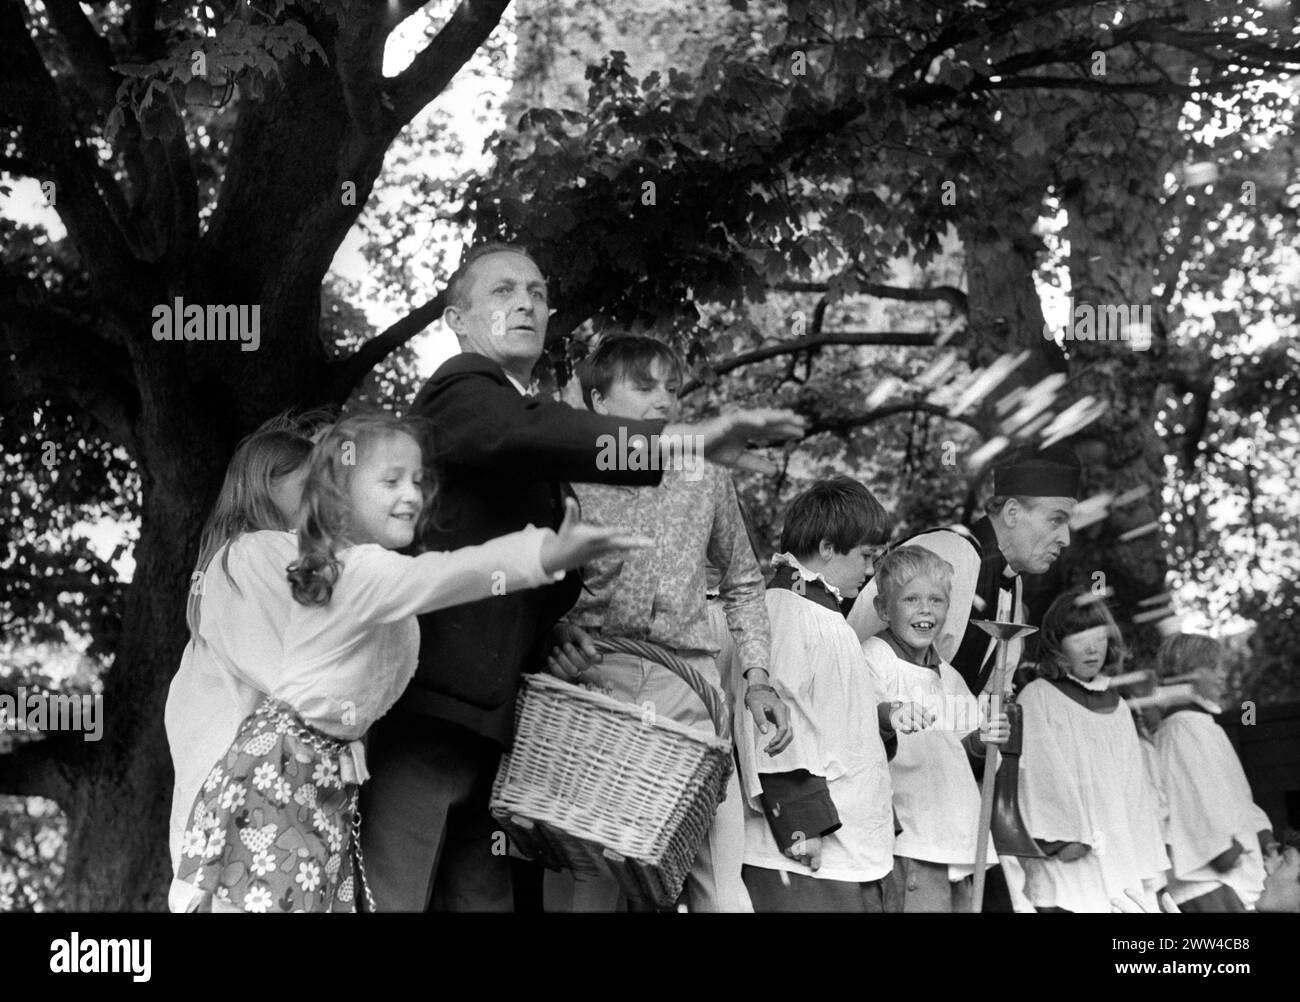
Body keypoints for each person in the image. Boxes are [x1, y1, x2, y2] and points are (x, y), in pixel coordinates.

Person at [359, 243, 804, 912]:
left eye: (538, 293)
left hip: (501, 723)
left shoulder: (531, 433)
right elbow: (522, 434)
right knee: (393, 901)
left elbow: (525, 572)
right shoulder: (464, 390)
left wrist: (552, 631)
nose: (526, 304)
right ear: (455, 318)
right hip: (429, 712)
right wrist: (690, 441)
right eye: (503, 291)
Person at [171, 413, 646, 912]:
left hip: (308, 770)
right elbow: (445, 576)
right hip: (285, 766)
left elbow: (422, 587)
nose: (411, 496)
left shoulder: (335, 563)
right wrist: (543, 554)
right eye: (388, 481)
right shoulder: (269, 554)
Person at [541, 335, 790, 913]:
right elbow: (537, 585)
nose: (664, 402)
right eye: (644, 386)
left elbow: (744, 581)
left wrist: (757, 678)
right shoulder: (565, 472)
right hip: (593, 681)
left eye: (672, 389)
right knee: (589, 871)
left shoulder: (705, 472)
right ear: (599, 402)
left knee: (708, 874)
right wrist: (552, 635)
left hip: (690, 687)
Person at [847, 441, 1081, 911]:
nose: (1066, 538)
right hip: (901, 816)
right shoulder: (944, 552)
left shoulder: (1014, 598)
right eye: (1056, 519)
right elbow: (850, 660)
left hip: (957, 811)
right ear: (1012, 511)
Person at [164, 415, 313, 886]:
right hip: (250, 811)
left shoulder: (231, 563)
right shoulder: (256, 555)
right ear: (268, 483)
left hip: (227, 816)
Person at [739, 477, 898, 911]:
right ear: (828, 547)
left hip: (846, 847)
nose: (869, 571)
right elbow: (772, 721)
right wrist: (799, 824)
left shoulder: (823, 612)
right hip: (807, 853)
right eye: (865, 556)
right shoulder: (787, 607)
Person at [861, 546, 1009, 912]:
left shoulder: (950, 676)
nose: (925, 609)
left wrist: (983, 739)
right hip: (911, 841)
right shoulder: (872, 659)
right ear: (883, 608)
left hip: (954, 843)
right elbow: (856, 730)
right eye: (911, 599)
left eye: (936, 600)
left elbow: (967, 755)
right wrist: (888, 715)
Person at [1016, 587, 1168, 913]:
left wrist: (1146, 854)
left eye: (1099, 637)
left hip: (1120, 844)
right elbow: (1040, 773)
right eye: (1078, 638)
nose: (1091, 648)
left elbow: (1135, 790)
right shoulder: (1039, 696)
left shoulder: (1119, 705)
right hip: (1071, 849)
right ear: (1057, 644)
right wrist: (1058, 840)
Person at [1153, 634, 1273, 911]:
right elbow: (1193, 803)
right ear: (1187, 674)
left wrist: (1262, 834)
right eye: (1213, 668)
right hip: (1210, 884)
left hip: (1229, 880)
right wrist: (1223, 850)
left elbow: (1233, 797)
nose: (1222, 676)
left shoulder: (1201, 725)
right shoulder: (1182, 730)